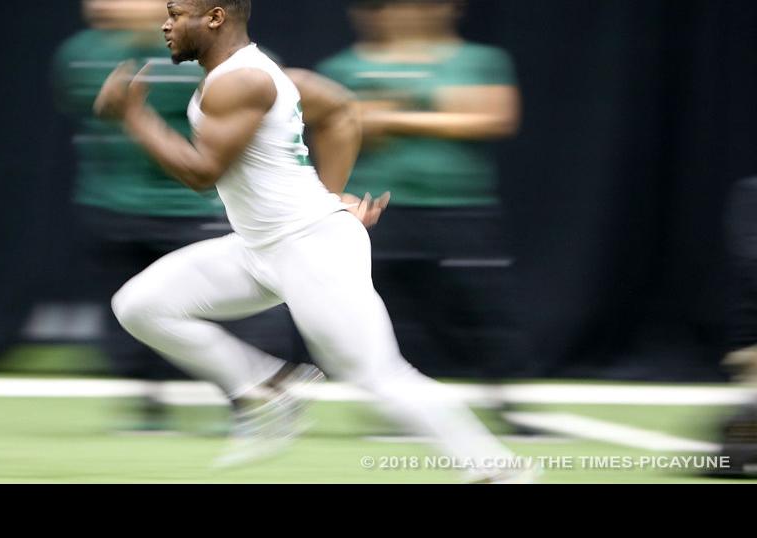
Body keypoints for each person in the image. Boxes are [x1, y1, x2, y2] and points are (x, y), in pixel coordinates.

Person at [94, 0, 531, 481]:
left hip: (311, 248)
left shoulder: (243, 80)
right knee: (140, 305)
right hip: (259, 248)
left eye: (177, 13)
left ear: (215, 17)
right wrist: (333, 194)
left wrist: (133, 115)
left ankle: (500, 470)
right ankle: (269, 387)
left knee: (378, 375)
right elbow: (341, 110)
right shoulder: (258, 75)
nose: (166, 24)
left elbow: (201, 173)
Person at [53, 0, 294, 431]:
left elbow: (212, 158)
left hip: (197, 208)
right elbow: (89, 111)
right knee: (130, 311)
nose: (105, 5)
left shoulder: (223, 58)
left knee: (238, 313)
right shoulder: (81, 52)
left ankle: (261, 397)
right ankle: (147, 405)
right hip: (113, 206)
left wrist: (138, 114)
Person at [317, 0, 533, 396]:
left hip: (458, 205)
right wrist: (434, 111)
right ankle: (397, 401)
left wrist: (392, 116)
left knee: (481, 309)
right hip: (375, 208)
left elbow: (493, 117)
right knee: (384, 312)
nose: (410, 13)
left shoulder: (477, 61)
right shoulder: (344, 67)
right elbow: (333, 128)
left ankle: (506, 398)